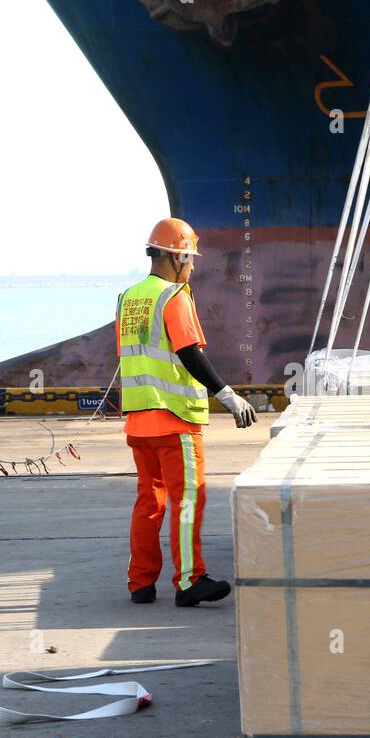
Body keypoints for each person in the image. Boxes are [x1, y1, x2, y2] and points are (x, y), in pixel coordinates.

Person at [117, 217, 256, 606]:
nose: (193, 267)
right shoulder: (174, 296)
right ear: (176, 257)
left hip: (139, 420)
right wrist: (227, 395)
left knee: (149, 501)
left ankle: (140, 583)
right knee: (187, 500)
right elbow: (189, 352)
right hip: (176, 419)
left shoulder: (128, 298)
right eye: (190, 259)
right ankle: (189, 581)